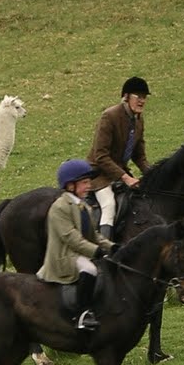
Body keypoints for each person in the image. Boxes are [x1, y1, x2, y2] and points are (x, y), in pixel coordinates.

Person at [38, 158, 116, 330]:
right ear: (70, 185)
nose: (89, 186)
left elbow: (94, 235)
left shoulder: (83, 206)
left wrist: (111, 246)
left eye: (89, 182)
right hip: (65, 257)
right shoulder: (59, 207)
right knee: (91, 269)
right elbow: (71, 237)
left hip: (78, 253)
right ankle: (82, 314)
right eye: (85, 182)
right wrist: (96, 251)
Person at [88, 75, 151, 239]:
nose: (142, 101)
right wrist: (126, 178)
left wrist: (154, 175)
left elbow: (139, 156)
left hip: (120, 173)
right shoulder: (109, 116)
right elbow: (100, 156)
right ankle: (105, 251)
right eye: (138, 96)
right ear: (126, 96)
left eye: (144, 97)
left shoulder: (138, 120)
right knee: (109, 205)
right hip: (99, 174)